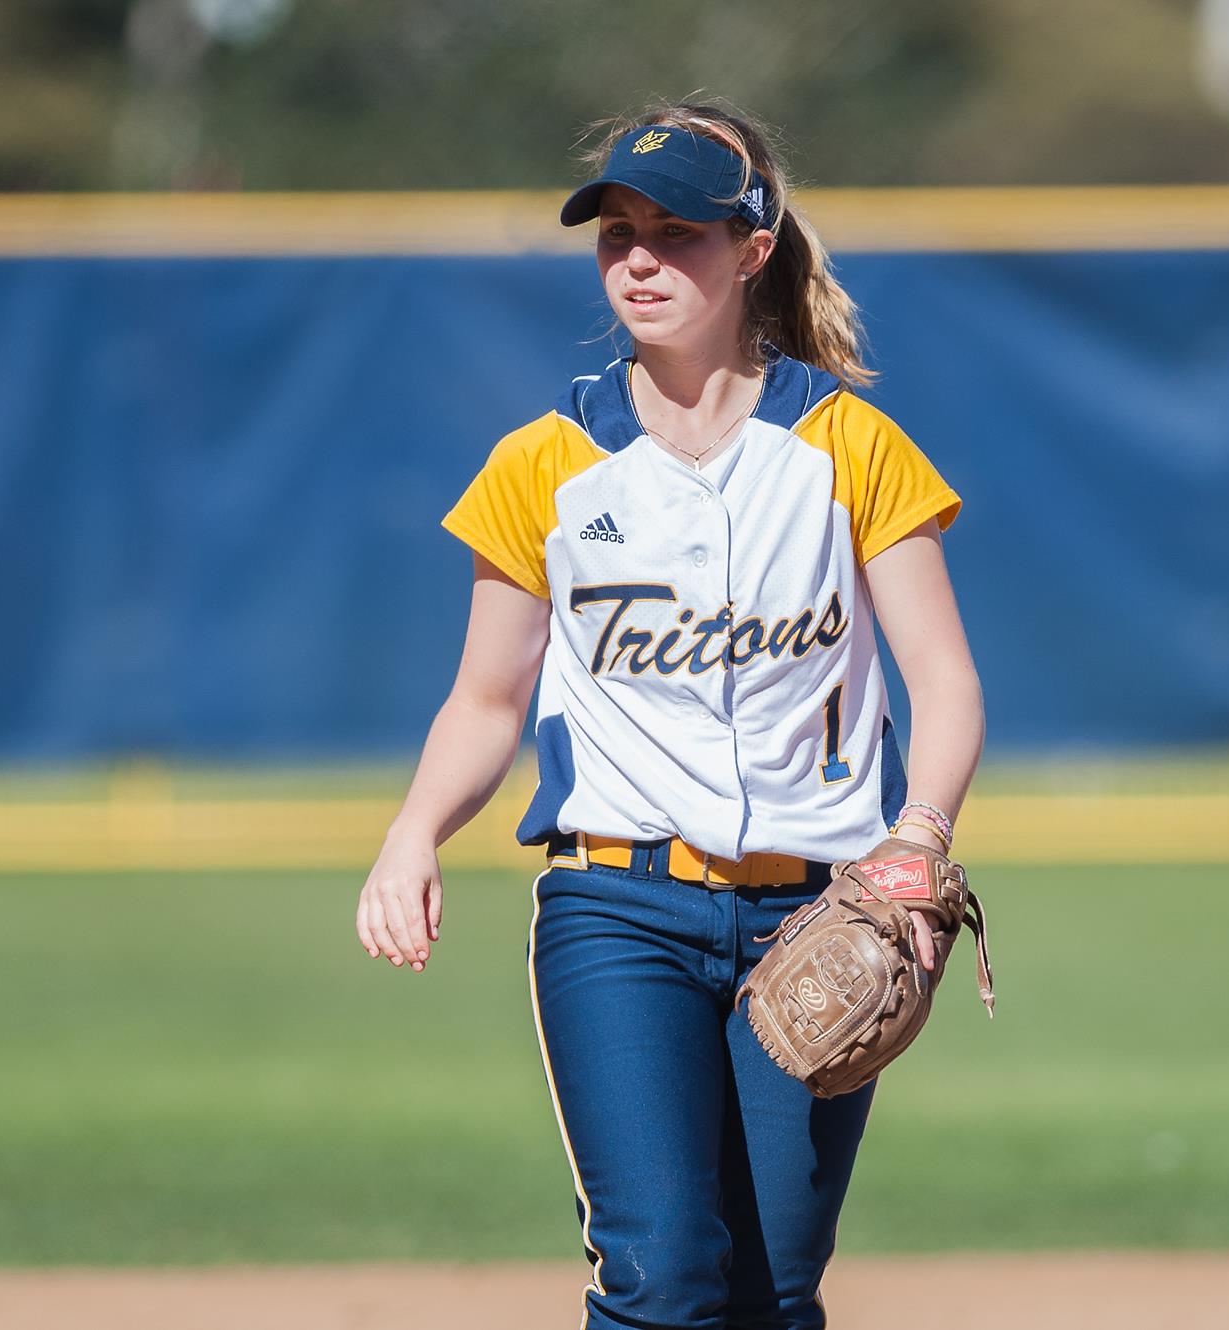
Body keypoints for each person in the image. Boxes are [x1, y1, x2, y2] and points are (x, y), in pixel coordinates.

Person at [354, 100, 985, 1330]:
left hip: (821, 911)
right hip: (616, 910)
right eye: (617, 233)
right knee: (659, 1273)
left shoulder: (848, 447)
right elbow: (485, 699)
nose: (639, 259)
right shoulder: (545, 463)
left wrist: (917, 837)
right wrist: (411, 830)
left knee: (772, 1289)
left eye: (677, 232)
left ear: (752, 249)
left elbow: (944, 680)